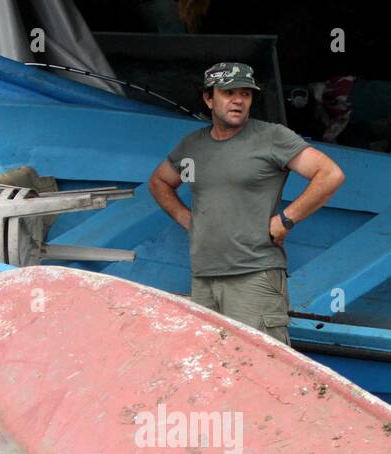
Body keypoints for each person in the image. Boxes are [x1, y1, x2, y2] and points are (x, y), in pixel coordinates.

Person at [148, 62, 345, 345]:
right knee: (214, 371)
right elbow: (159, 182)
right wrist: (186, 218)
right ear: (208, 98)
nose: (238, 100)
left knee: (263, 368)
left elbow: (330, 174)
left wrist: (286, 219)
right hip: (204, 277)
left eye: (246, 94)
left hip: (254, 275)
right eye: (228, 93)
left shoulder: (272, 137)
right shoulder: (192, 146)